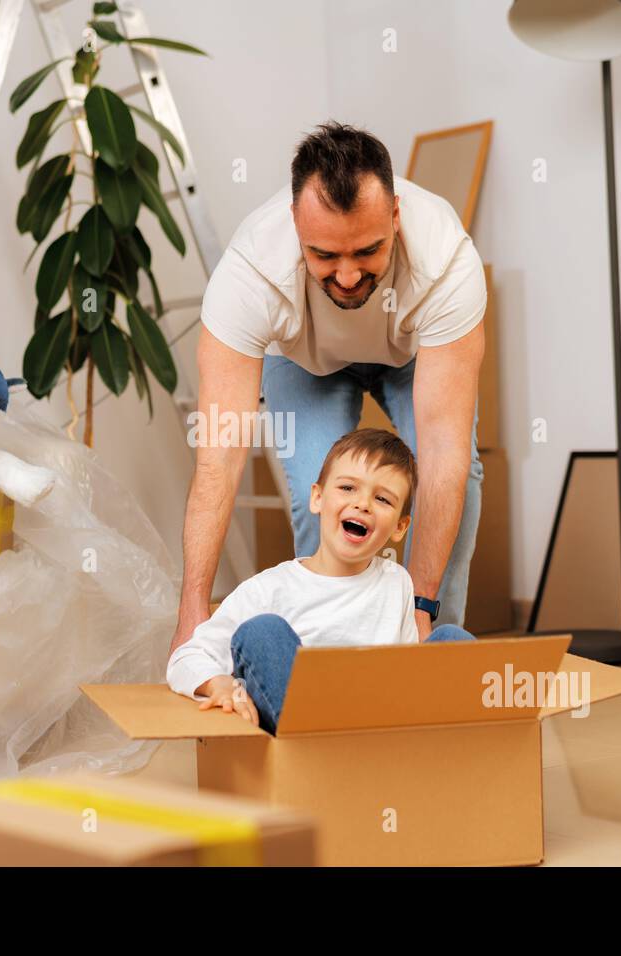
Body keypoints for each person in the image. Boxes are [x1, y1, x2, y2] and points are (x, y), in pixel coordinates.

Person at [172, 121, 486, 654]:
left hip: (410, 353)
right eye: (324, 256)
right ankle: (322, 657)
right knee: (322, 495)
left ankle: (429, 646)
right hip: (305, 362)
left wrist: (422, 605)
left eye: (366, 252)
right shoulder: (249, 274)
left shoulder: (447, 262)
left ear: (395, 216)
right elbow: (219, 458)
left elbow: (442, 452)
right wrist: (193, 610)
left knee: (465, 477)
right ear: (295, 223)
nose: (345, 277)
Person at [168, 428, 476, 732]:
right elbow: (187, 657)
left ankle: (446, 760)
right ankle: (326, 759)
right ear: (317, 498)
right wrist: (220, 685)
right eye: (347, 488)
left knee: (453, 641)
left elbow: (407, 672)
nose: (363, 504)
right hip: (309, 730)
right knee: (262, 632)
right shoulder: (270, 588)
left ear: (400, 527)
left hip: (381, 729)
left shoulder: (397, 583)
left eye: (382, 499)